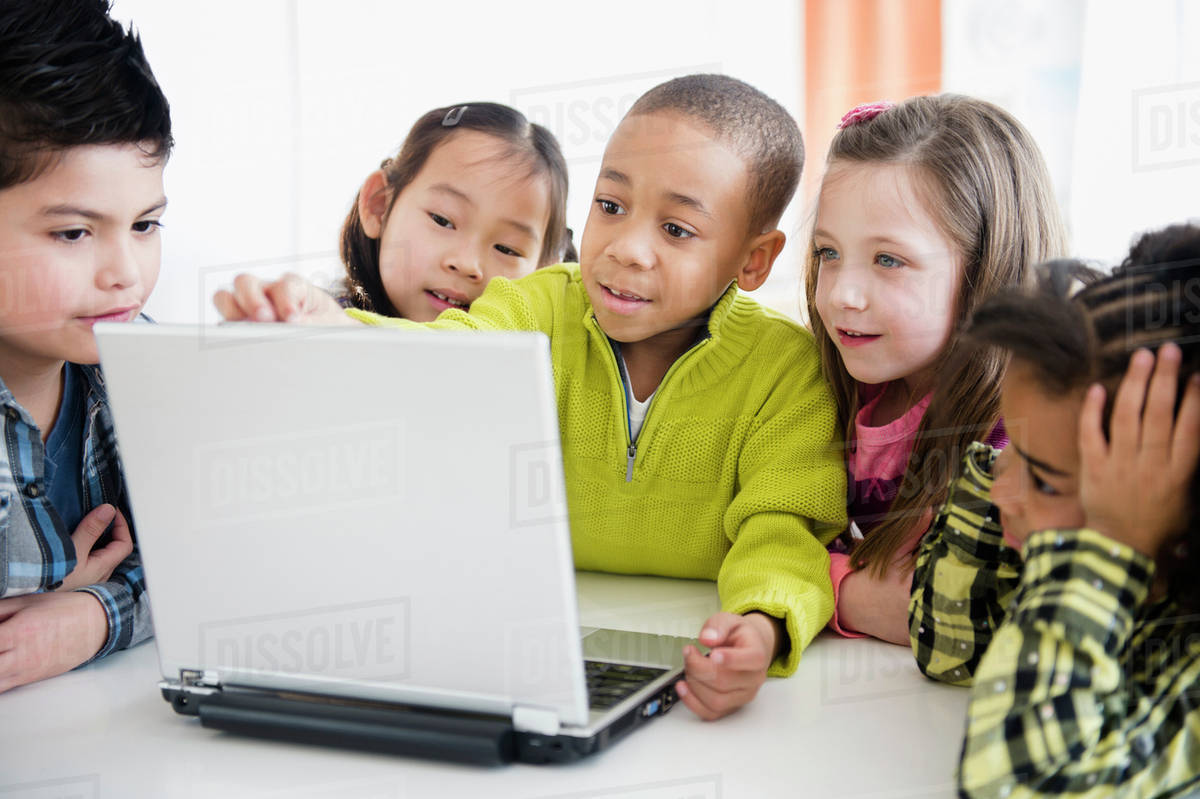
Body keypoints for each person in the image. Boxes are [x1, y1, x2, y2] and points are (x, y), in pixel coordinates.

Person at [215, 74, 847, 720]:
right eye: (610, 204)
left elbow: (785, 529)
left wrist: (762, 622)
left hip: (677, 644)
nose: (627, 248)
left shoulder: (784, 368)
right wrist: (328, 328)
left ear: (753, 261)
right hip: (518, 637)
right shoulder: (538, 303)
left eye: (677, 230)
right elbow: (440, 361)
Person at [910, 224, 1200, 796]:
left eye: (1044, 479)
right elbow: (949, 650)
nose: (1000, 491)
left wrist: (1105, 554)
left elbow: (1015, 785)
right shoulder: (1070, 548)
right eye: (1009, 450)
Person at [805, 95, 1067, 644]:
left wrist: (828, 587)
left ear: (988, 269)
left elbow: (969, 621)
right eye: (829, 253)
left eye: (888, 260)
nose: (842, 295)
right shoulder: (832, 391)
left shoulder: (1022, 432)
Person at [0, 0, 172, 692]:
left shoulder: (141, 362)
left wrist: (86, 617)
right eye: (74, 233)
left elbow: (221, 565)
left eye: (145, 224)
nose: (125, 273)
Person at [329, 102, 572, 320]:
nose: (467, 264)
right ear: (379, 206)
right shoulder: (320, 327)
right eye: (442, 221)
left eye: (506, 249)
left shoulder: (545, 363)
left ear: (543, 273)